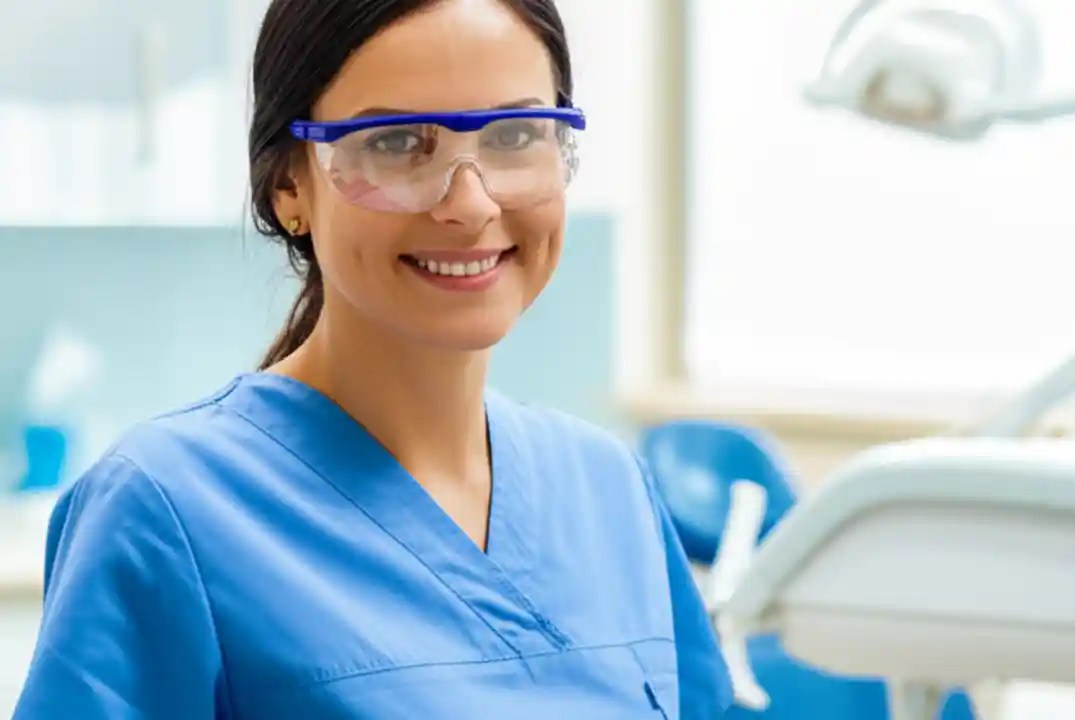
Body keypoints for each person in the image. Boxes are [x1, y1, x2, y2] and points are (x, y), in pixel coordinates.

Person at [14, 0, 733, 717]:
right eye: (395, 144)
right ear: (288, 184)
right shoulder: (165, 510)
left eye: (516, 134)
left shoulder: (609, 490)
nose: (470, 203)